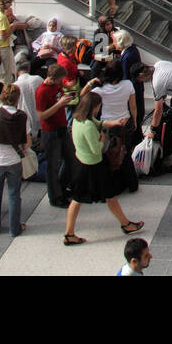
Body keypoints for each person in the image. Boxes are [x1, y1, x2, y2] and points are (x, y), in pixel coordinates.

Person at [62, 93, 143, 246]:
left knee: (79, 199)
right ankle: (125, 224)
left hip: (82, 164)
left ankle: (69, 233)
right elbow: (97, 149)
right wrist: (103, 138)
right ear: (94, 107)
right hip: (93, 167)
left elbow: (98, 123)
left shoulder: (79, 120)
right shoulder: (88, 126)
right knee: (108, 196)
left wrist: (113, 123)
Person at [0, 82, 29, 237]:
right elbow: (26, 142)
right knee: (14, 195)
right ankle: (14, 228)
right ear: (17, 99)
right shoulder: (22, 116)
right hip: (13, 160)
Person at [36, 63, 75, 206]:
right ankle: (55, 196)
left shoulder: (56, 86)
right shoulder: (42, 91)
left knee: (71, 159)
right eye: (60, 80)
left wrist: (66, 98)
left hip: (62, 126)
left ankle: (62, 187)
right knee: (52, 165)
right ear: (53, 78)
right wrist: (59, 105)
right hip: (50, 131)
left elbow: (60, 97)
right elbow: (41, 115)